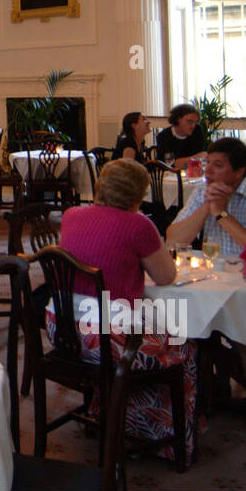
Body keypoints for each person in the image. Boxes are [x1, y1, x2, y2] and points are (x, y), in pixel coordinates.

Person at [49, 159, 198, 464]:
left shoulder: (72, 215)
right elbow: (166, 276)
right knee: (186, 342)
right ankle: (162, 437)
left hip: (62, 328)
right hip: (106, 340)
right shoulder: (138, 225)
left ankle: (110, 412)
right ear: (139, 193)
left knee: (149, 327)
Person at [166, 137, 246, 397]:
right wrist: (207, 208)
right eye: (207, 163)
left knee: (240, 317)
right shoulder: (204, 191)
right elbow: (173, 240)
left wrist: (222, 214)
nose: (208, 171)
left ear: (239, 172)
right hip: (218, 277)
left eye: (218, 165)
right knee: (178, 316)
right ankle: (205, 388)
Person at [155, 104, 206, 169]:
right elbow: (167, 165)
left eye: (195, 122)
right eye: (190, 121)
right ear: (178, 119)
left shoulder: (197, 131)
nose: (193, 126)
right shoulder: (164, 136)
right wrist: (192, 159)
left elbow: (200, 160)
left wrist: (182, 162)